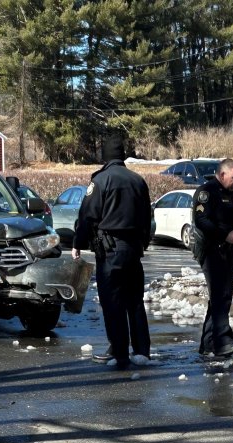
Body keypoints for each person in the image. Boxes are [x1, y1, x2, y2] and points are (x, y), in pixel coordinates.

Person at [71, 135, 153, 369]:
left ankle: (119, 352)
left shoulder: (100, 181)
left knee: (113, 301)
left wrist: (78, 242)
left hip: (110, 251)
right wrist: (143, 243)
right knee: (135, 301)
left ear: (105, 156)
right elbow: (147, 217)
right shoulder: (138, 180)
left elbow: (87, 215)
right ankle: (142, 350)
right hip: (133, 250)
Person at [192, 158, 233, 358]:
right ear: (223, 174)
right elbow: (202, 221)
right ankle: (222, 342)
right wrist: (225, 236)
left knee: (221, 297)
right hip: (210, 250)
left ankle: (208, 344)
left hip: (225, 251)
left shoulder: (229, 194)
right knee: (220, 296)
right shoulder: (206, 192)